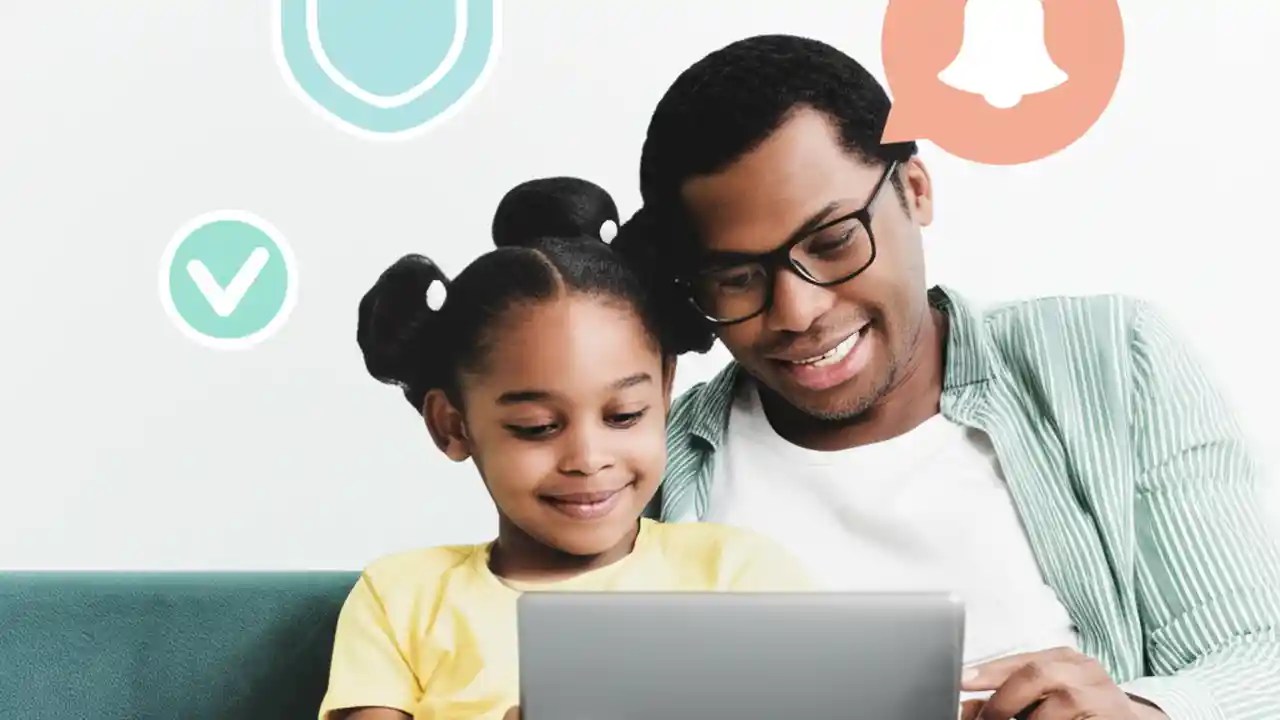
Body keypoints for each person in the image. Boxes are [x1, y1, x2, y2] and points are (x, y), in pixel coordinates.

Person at [618, 34, 1280, 720]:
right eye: (736, 277)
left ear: (915, 188)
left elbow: (1263, 656)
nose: (799, 310)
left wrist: (1142, 712)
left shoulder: (1113, 361)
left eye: (835, 240)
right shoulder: (646, 464)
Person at [318, 177, 809, 720]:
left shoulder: (738, 576)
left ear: (665, 389)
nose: (588, 457)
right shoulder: (402, 598)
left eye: (623, 416)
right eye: (537, 427)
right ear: (452, 425)